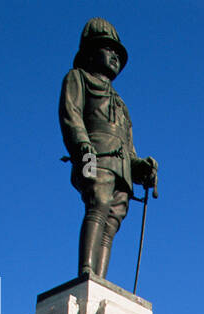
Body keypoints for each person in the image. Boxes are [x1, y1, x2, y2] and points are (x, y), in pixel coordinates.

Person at [59, 18, 158, 280]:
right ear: (90, 53)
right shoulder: (77, 78)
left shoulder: (122, 105)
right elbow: (72, 115)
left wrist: (141, 168)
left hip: (121, 167)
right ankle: (87, 270)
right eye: (108, 49)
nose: (114, 56)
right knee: (98, 204)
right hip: (96, 155)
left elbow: (130, 147)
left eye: (118, 53)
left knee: (113, 219)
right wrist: (82, 146)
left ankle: (99, 278)